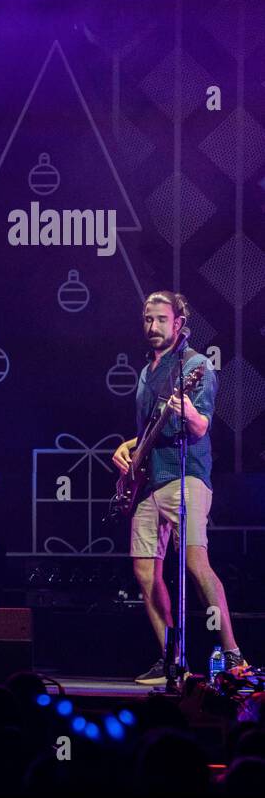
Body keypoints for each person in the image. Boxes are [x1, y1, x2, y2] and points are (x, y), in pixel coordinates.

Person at [110, 291, 246, 684]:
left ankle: (233, 653)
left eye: (160, 320)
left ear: (179, 324)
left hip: (185, 476)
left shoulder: (196, 366)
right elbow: (150, 428)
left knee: (194, 562)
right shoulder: (146, 371)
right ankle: (172, 659)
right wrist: (128, 446)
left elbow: (201, 426)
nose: (152, 327)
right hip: (148, 480)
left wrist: (189, 413)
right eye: (147, 319)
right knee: (144, 571)